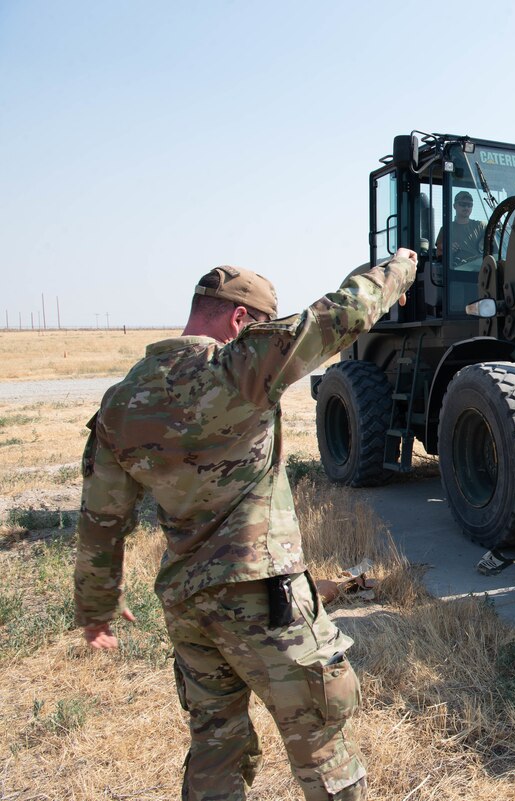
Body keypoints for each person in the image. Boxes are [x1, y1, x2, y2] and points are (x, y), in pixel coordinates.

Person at [74, 249, 418, 801]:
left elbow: (102, 520)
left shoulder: (119, 404)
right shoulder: (237, 368)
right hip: (263, 600)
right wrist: (400, 268)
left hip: (188, 607)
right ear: (240, 320)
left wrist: (96, 608)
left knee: (216, 745)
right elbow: (341, 313)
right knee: (323, 747)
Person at [434, 190, 487, 266]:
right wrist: (448, 246)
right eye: (463, 204)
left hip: (478, 269)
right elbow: (439, 247)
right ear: (454, 206)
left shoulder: (481, 226)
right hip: (457, 269)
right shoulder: (446, 228)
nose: (466, 207)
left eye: (469, 205)